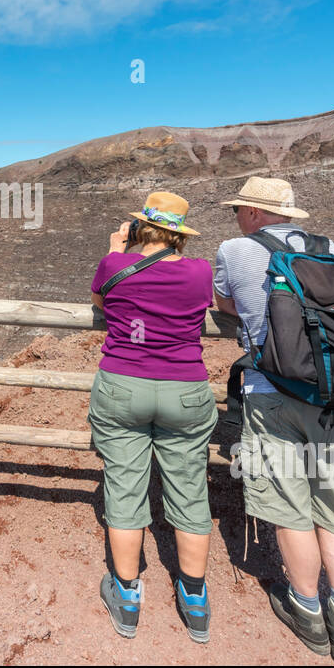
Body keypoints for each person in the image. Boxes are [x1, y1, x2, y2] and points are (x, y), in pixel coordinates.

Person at [213, 176, 334, 665]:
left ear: (255, 213)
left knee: (288, 503)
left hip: (272, 394)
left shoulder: (235, 249)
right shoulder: (329, 246)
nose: (236, 216)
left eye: (240, 209)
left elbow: (226, 305)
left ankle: (305, 609)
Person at [88, 191, 218, 643]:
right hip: (185, 390)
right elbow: (204, 307)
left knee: (125, 485)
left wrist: (114, 249)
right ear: (180, 234)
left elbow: (104, 304)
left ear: (139, 227)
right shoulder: (200, 271)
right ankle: (195, 599)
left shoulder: (113, 265)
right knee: (188, 486)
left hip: (123, 386)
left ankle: (126, 596)